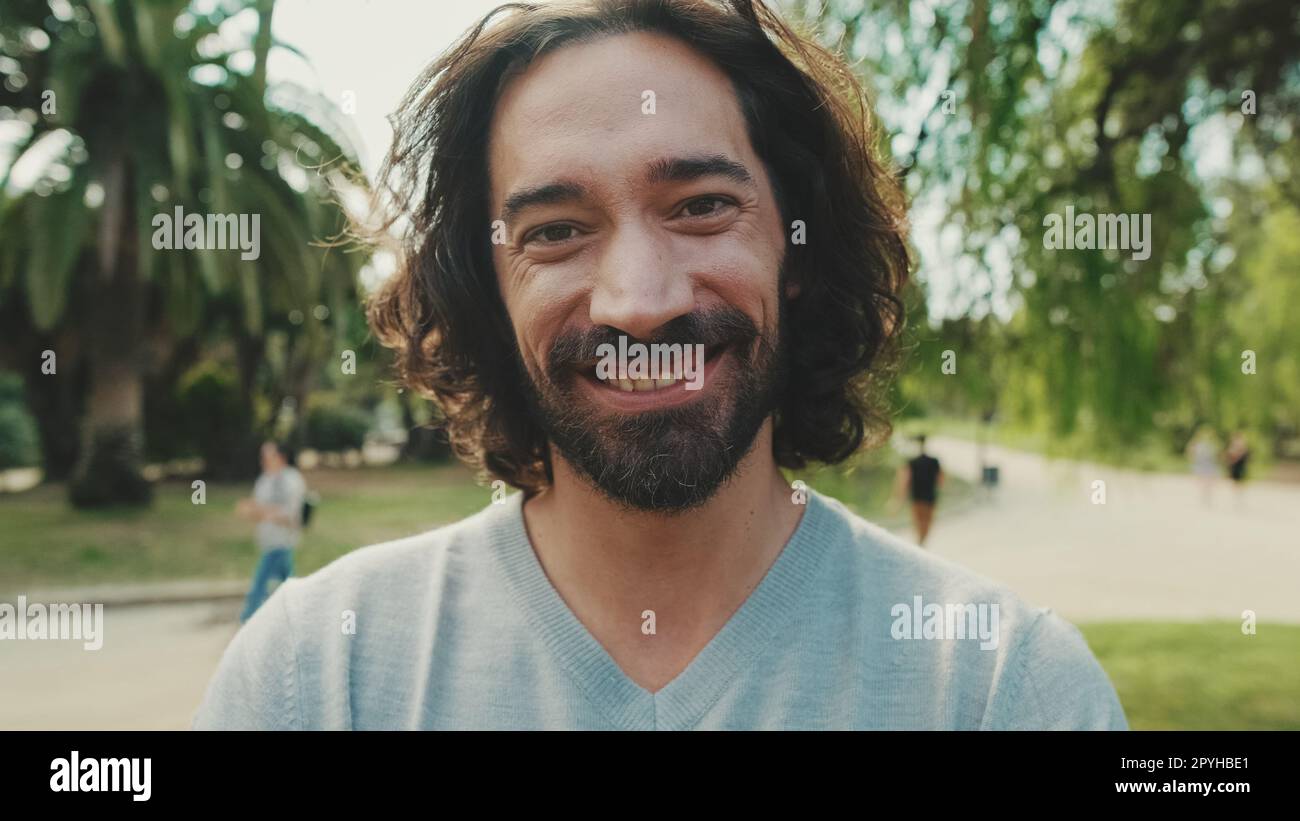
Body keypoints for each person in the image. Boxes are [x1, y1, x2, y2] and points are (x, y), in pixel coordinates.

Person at [194, 0, 1126, 730]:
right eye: (556, 232)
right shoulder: (313, 682)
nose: (639, 302)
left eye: (701, 206)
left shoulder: (1007, 691)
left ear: (795, 250)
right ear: (488, 288)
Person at [235, 441, 307, 624]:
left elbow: (290, 513)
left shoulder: (291, 479)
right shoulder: (264, 480)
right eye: (262, 456)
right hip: (268, 540)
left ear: (281, 457)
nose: (264, 460)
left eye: (268, 456)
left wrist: (260, 511)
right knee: (287, 582)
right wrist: (250, 510)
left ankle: (248, 617)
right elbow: (258, 508)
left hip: (282, 540)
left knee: (262, 579)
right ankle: (297, 614)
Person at [896, 435, 943, 546]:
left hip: (916, 496)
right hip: (930, 496)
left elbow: (905, 481)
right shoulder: (934, 461)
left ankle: (920, 542)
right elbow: (941, 480)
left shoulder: (912, 462)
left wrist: (899, 498)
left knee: (918, 521)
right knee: (927, 521)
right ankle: (923, 542)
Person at [1186, 426, 1220, 507]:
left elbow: (1216, 456)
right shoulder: (1199, 445)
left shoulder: (1211, 444)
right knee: (1203, 483)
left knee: (1207, 484)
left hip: (1208, 466)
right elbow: (1191, 452)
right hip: (1202, 466)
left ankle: (1206, 498)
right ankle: (1204, 498)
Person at [1224, 431, 1250, 503]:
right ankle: (1237, 495)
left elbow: (1242, 454)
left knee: (1238, 480)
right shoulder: (1237, 444)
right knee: (1236, 480)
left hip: (1239, 464)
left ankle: (1238, 495)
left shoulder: (1240, 444)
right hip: (1236, 464)